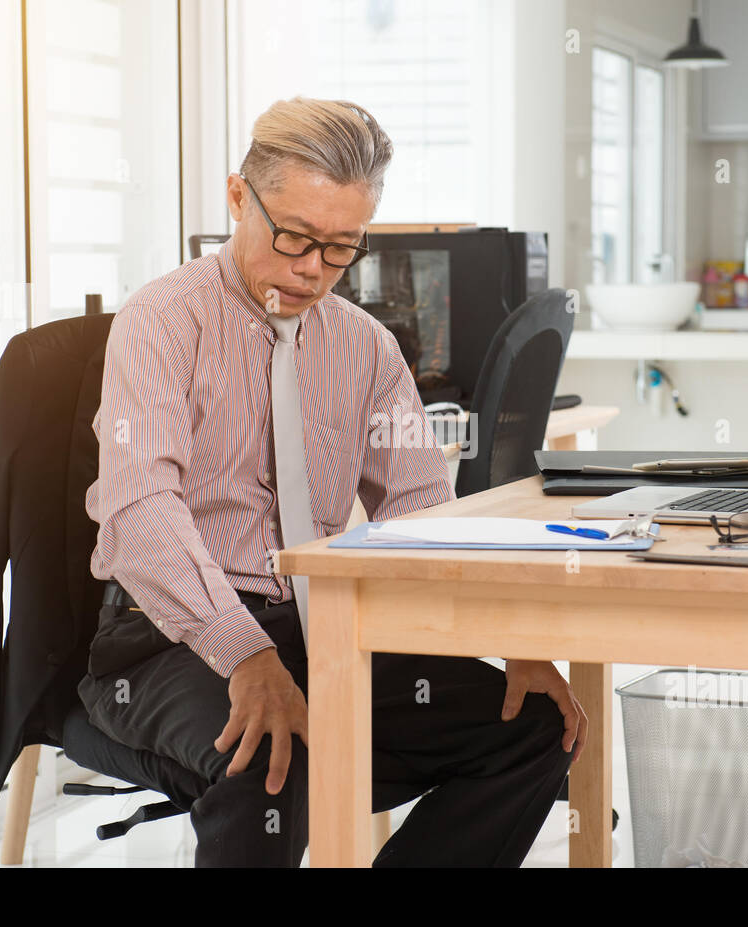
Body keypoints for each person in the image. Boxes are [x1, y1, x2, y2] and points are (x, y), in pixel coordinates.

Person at [77, 95, 584, 866]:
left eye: (342, 247)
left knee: (534, 725)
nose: (314, 268)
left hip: (324, 627)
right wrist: (247, 656)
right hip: (168, 635)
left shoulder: (367, 348)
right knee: (274, 759)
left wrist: (505, 636)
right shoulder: (163, 321)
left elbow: (421, 510)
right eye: (293, 237)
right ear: (238, 195)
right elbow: (143, 512)